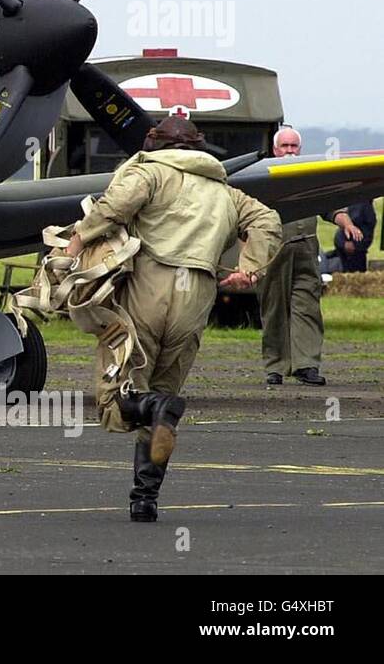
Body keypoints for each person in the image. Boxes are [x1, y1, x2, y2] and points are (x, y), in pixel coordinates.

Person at [64, 115, 282, 522]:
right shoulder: (226, 192)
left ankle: (155, 406)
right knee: (164, 394)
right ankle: (144, 500)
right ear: (197, 147)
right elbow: (268, 220)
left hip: (150, 284)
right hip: (197, 294)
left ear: (156, 143)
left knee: (118, 395)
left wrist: (70, 247)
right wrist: (251, 268)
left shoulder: (151, 174)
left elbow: (112, 208)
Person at [260, 127, 359, 386]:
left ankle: (306, 365)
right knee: (275, 309)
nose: (289, 151)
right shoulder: (264, 174)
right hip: (274, 250)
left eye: (294, 147)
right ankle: (276, 367)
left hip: (306, 248)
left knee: (308, 307)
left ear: (300, 149)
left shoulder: (309, 174)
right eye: (285, 146)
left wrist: (346, 223)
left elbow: (329, 204)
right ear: (275, 149)